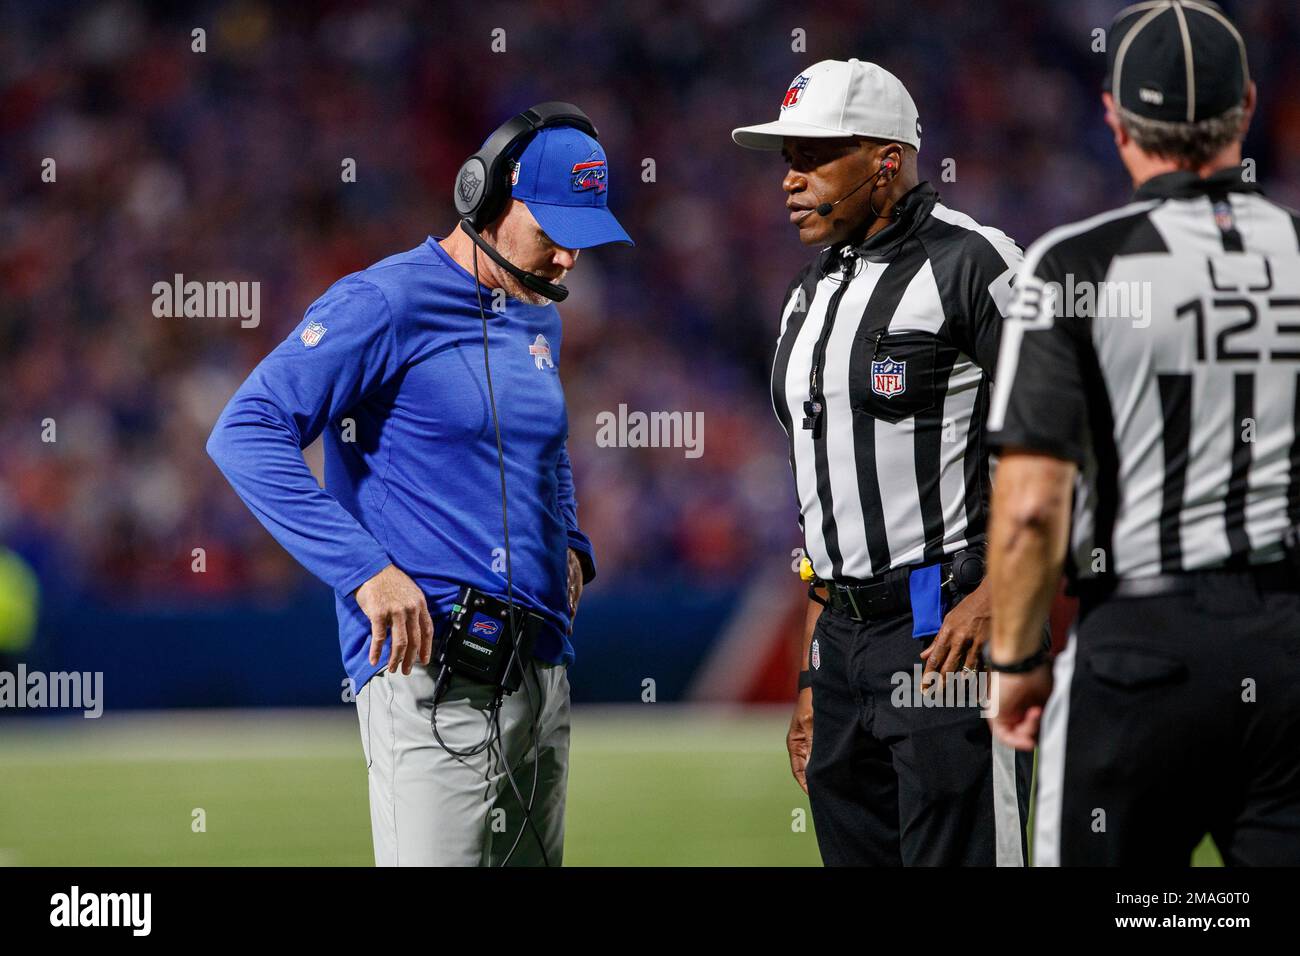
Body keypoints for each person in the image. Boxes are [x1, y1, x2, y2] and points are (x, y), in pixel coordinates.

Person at [206, 103, 632, 866]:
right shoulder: (386, 301)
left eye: (584, 239)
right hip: (434, 677)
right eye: (554, 233)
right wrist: (364, 570)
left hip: (541, 673)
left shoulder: (539, 312)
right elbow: (245, 431)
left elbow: (545, 441)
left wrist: (569, 537)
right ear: (487, 199)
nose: (569, 260)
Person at [987, 0, 1300, 865]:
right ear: (1245, 104)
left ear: (1114, 118)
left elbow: (1030, 504)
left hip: (1142, 651)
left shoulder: (1079, 264)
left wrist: (1016, 659)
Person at [732, 58, 1030, 865]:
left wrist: (1002, 591)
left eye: (812, 157)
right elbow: (822, 501)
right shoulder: (807, 293)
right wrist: (809, 671)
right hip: (842, 646)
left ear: (885, 159)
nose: (789, 181)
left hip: (943, 624)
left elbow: (1070, 435)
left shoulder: (975, 262)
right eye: (786, 160)